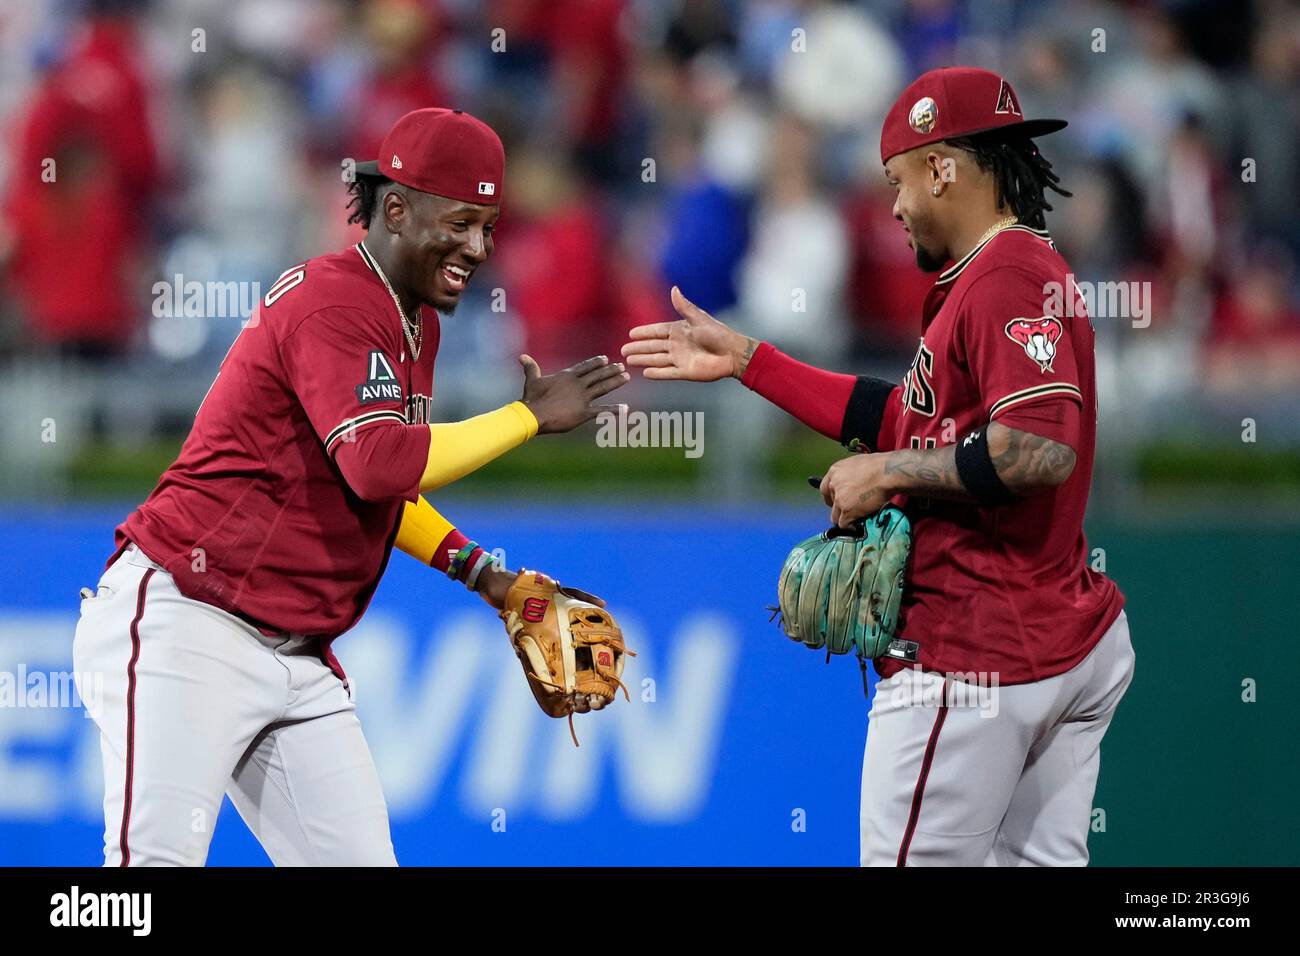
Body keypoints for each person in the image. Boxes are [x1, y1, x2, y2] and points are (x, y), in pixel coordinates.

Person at [73, 107, 628, 866]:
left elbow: (376, 489)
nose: (478, 246)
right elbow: (379, 462)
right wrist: (526, 419)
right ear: (396, 209)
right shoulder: (335, 301)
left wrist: (484, 575)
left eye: (490, 227)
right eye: (462, 222)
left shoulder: (416, 323)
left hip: (296, 656)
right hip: (189, 620)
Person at [623, 68, 1134, 866]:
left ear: (943, 168)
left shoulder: (1006, 275)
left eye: (899, 179)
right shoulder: (997, 276)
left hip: (976, 652)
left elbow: (1039, 448)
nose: (894, 205)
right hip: (1054, 643)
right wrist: (751, 361)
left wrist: (890, 473)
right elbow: (906, 418)